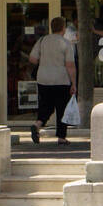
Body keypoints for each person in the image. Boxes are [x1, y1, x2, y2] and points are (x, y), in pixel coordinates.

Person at [28, 17, 76, 146]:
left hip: (43, 78)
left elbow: (32, 59)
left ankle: (37, 124)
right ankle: (61, 137)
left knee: (46, 105)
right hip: (61, 79)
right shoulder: (66, 43)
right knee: (62, 108)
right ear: (63, 28)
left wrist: (44, 61)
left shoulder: (42, 40)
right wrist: (73, 83)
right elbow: (70, 65)